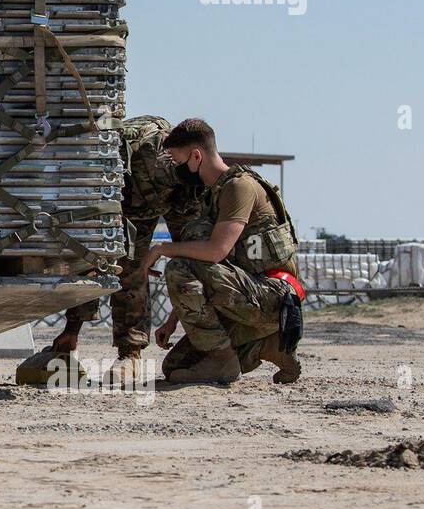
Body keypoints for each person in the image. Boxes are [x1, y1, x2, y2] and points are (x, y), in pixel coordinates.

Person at [16, 116, 205, 388]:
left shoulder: (189, 179)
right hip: (105, 202)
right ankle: (69, 337)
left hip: (143, 213)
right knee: (87, 264)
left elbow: (186, 231)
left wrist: (169, 255)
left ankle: (131, 353)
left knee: (133, 268)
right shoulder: (132, 145)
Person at [143, 118, 303, 385]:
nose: (176, 172)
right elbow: (207, 269)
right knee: (175, 366)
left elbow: (216, 252)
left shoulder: (238, 187)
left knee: (178, 266)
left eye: (178, 162)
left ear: (196, 156)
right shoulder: (215, 194)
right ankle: (268, 347)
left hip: (274, 298)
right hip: (246, 297)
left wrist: (162, 249)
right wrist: (173, 320)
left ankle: (223, 361)